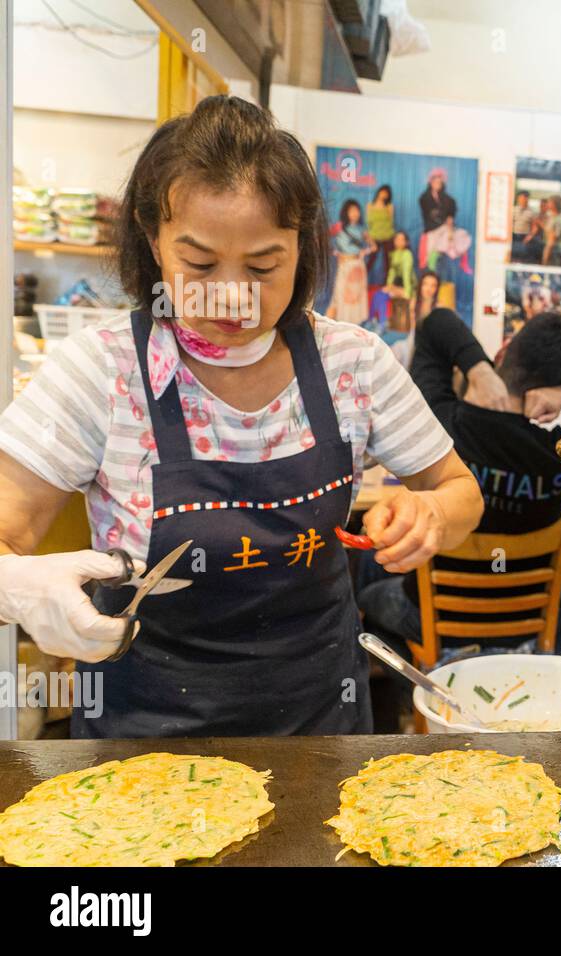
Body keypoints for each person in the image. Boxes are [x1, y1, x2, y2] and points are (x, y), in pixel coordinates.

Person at [0, 95, 483, 738]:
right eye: (198, 264)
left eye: (262, 266)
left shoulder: (353, 363)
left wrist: (432, 515)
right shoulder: (102, 370)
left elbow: (461, 493)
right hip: (142, 753)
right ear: (153, 240)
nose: (230, 295)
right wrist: (18, 587)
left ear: (303, 249)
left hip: (319, 735)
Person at [357, 309, 561, 656]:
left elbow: (434, 323)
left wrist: (476, 367)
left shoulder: (439, 424)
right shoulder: (559, 452)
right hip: (527, 614)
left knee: (366, 589)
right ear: (551, 385)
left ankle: (427, 673)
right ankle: (522, 654)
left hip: (436, 615)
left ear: (502, 352)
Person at [329, 198, 373, 325]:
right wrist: (336, 253)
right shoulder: (338, 227)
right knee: (340, 295)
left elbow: (373, 246)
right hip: (344, 265)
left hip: (358, 266)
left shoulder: (361, 229)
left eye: (357, 211)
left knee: (356, 296)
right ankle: (340, 323)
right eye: (352, 211)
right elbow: (321, 239)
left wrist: (364, 252)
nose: (355, 213)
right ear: (346, 212)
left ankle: (355, 325)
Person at [417, 167, 457, 271]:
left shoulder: (448, 199)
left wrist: (450, 222)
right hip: (431, 230)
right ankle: (431, 275)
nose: (437, 184)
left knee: (437, 253)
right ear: (430, 182)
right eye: (435, 181)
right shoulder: (424, 197)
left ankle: (434, 275)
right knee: (429, 255)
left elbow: (450, 215)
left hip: (443, 229)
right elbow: (427, 210)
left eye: (440, 182)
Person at [366, 184, 395, 287]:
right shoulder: (370, 206)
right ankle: (362, 279)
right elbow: (368, 223)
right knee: (371, 260)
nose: (384, 195)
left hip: (388, 236)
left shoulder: (389, 207)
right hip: (374, 237)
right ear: (379, 192)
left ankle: (387, 284)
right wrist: (371, 237)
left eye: (387, 193)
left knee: (388, 262)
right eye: (383, 192)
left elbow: (391, 222)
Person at [510, 189, 535, 262]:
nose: (522, 200)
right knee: (513, 257)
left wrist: (529, 237)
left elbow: (534, 227)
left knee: (522, 257)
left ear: (527, 199)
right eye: (521, 198)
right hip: (513, 236)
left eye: (525, 198)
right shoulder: (513, 210)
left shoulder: (531, 212)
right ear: (518, 198)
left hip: (524, 237)